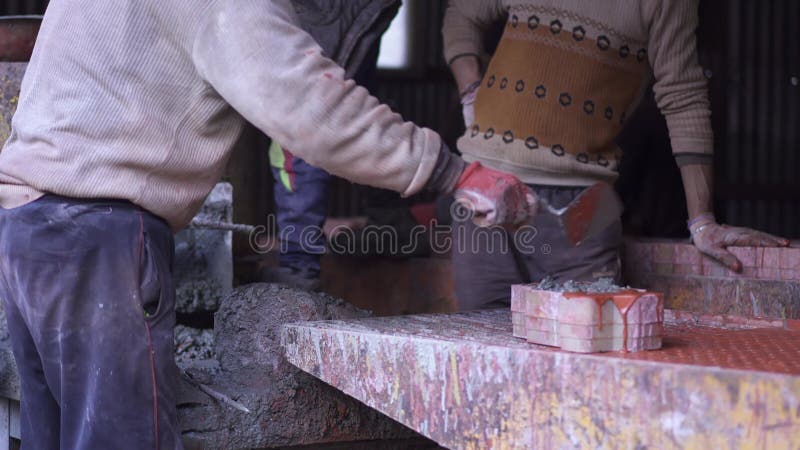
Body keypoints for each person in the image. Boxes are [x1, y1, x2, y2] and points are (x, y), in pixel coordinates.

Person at [0, 1, 533, 448]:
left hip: (29, 224)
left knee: (57, 434)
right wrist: (451, 172)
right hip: (95, 234)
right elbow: (311, 107)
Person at [443, 0, 789, 310]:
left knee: (586, 349)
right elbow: (461, 15)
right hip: (481, 183)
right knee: (481, 338)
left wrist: (702, 221)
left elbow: (683, 95)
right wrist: (471, 92)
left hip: (585, 199)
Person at [264, 0, 400, 289]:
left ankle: (299, 265)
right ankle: (390, 221)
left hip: (335, 14)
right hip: (349, 13)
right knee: (348, 111)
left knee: (303, 126)